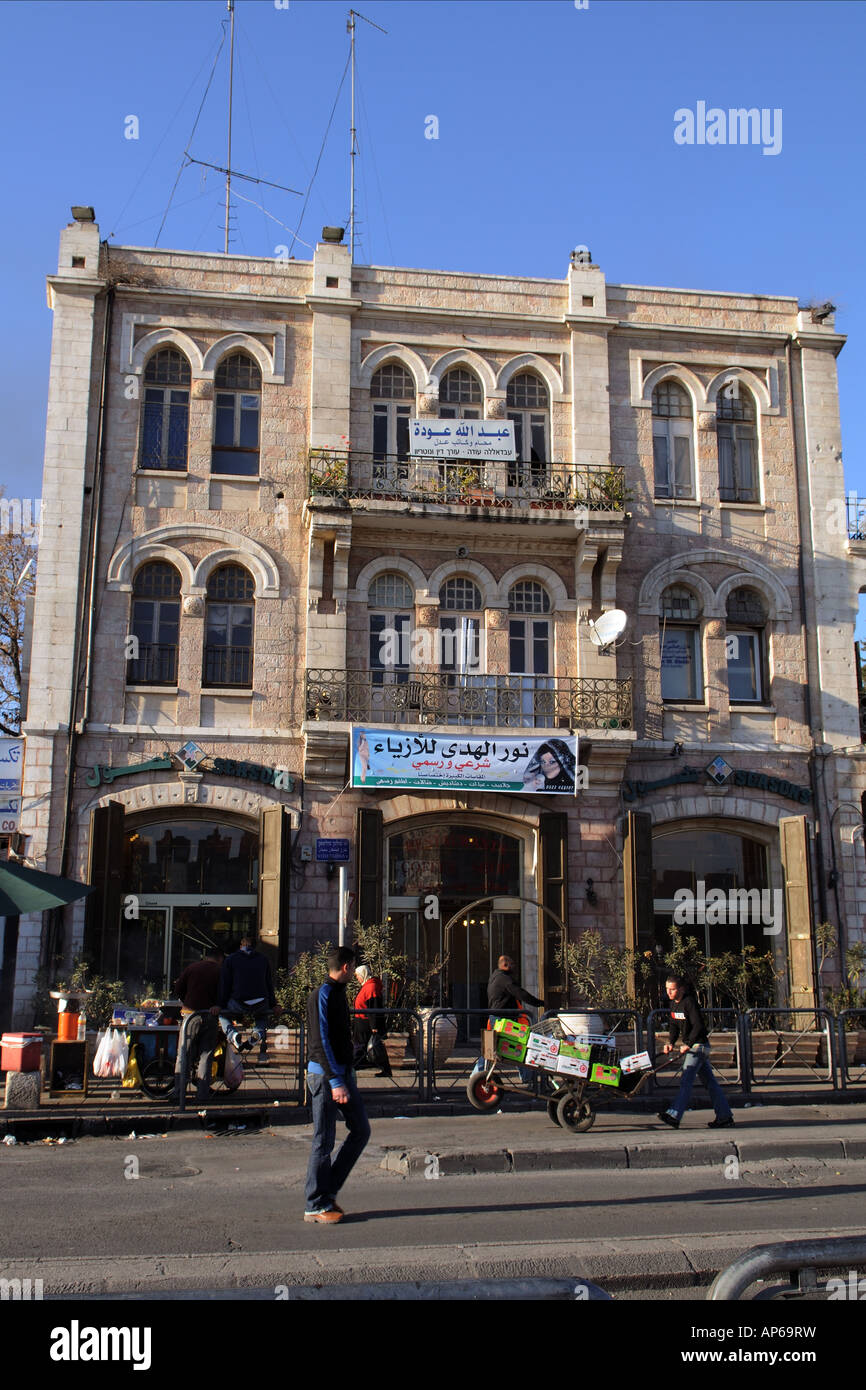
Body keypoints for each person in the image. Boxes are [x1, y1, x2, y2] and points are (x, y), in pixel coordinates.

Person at [304, 945, 371, 1224]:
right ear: (346, 966)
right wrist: (335, 1080)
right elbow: (320, 1041)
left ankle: (327, 1191)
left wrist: (347, 1073)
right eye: (353, 965)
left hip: (341, 1074)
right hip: (325, 1076)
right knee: (324, 1139)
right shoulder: (323, 994)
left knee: (361, 1130)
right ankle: (315, 1203)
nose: (354, 970)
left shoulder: (338, 994)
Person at [657, 973, 734, 1129]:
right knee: (711, 1084)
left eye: (672, 989)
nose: (669, 993)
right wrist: (670, 1043)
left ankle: (674, 1115)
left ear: (682, 989)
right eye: (667, 989)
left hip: (699, 1046)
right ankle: (725, 1116)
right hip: (693, 1047)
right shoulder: (673, 1004)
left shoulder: (690, 1002)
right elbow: (673, 1026)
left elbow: (699, 1025)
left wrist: (689, 1044)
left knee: (686, 1080)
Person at [171, 946, 224, 1103]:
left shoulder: (192, 967)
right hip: (210, 1015)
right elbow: (225, 993)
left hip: (190, 1015)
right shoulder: (220, 971)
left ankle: (179, 1094)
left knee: (183, 1054)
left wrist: (187, 1001)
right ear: (220, 958)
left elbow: (178, 989)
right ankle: (202, 1095)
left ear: (205, 956)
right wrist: (218, 1005)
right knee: (206, 1055)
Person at [218, 934, 279, 1062]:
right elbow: (269, 984)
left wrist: (221, 1004)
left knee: (223, 1015)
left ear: (241, 946)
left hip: (239, 1001)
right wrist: (273, 1004)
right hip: (261, 1001)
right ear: (255, 947)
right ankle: (257, 1034)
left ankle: (232, 1034)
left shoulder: (231, 960)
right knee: (262, 1018)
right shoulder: (264, 959)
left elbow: (225, 984)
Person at [485, 955, 544, 1086]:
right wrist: (539, 1003)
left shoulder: (495, 976)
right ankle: (480, 1076)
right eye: (512, 964)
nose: (515, 967)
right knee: (516, 1046)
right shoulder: (505, 979)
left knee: (503, 1048)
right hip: (504, 1019)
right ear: (506, 965)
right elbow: (521, 993)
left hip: (497, 1017)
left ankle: (526, 1076)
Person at [352, 964, 391, 1077]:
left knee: (362, 1047)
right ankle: (384, 1069)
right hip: (363, 1022)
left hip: (365, 1023)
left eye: (358, 976)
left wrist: (374, 1026)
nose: (357, 979)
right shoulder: (369, 986)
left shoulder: (370, 987)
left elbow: (373, 1008)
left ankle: (353, 1068)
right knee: (371, 1047)